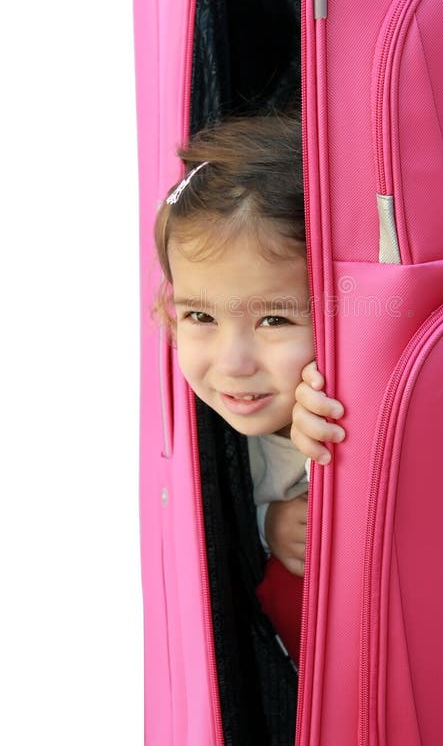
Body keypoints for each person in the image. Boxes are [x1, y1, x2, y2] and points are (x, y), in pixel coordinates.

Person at [154, 113, 345, 667]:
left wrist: (329, 449)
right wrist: (269, 525)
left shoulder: (336, 399)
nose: (233, 364)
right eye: (200, 315)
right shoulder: (214, 430)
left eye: (274, 321)